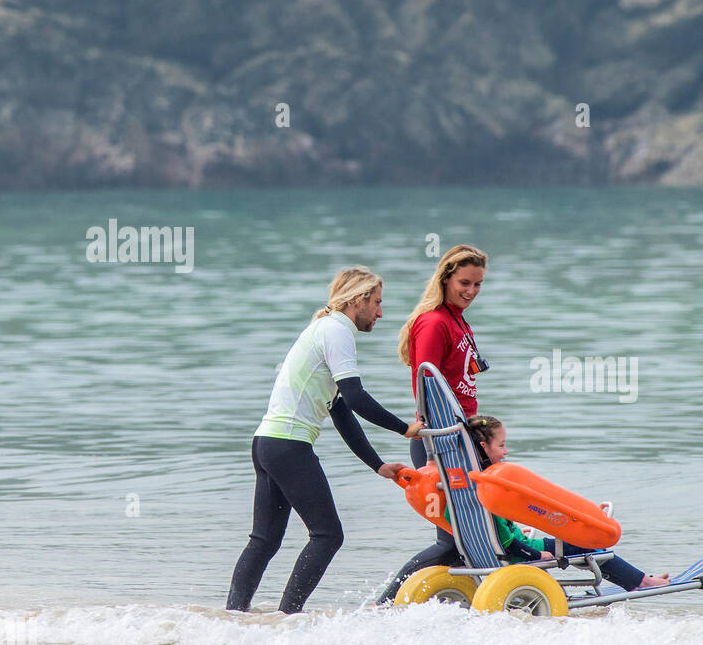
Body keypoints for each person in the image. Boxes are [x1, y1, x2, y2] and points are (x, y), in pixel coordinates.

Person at [227, 266, 421, 614]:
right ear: (359, 300)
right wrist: (404, 428)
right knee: (328, 535)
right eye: (377, 302)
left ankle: (233, 618)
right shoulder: (337, 330)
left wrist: (378, 465)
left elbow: (342, 410)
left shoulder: (322, 329)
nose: (380, 312)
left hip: (267, 443)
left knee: (264, 541)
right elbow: (357, 397)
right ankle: (288, 617)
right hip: (288, 446)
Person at [386, 414, 670, 597]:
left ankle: (638, 578)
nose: (506, 451)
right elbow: (507, 543)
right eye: (502, 445)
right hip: (516, 554)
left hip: (497, 553)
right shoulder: (486, 491)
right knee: (590, 545)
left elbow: (502, 532)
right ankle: (640, 582)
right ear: (483, 448)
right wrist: (538, 553)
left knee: (571, 536)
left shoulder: (459, 489)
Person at [377, 246, 489, 603]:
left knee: (469, 539)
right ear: (445, 279)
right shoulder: (434, 321)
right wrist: (446, 434)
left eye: (478, 284)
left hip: (461, 437)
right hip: (439, 440)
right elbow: (426, 385)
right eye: (464, 283)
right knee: (452, 542)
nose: (471, 291)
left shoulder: (459, 319)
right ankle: (385, 604)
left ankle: (449, 603)